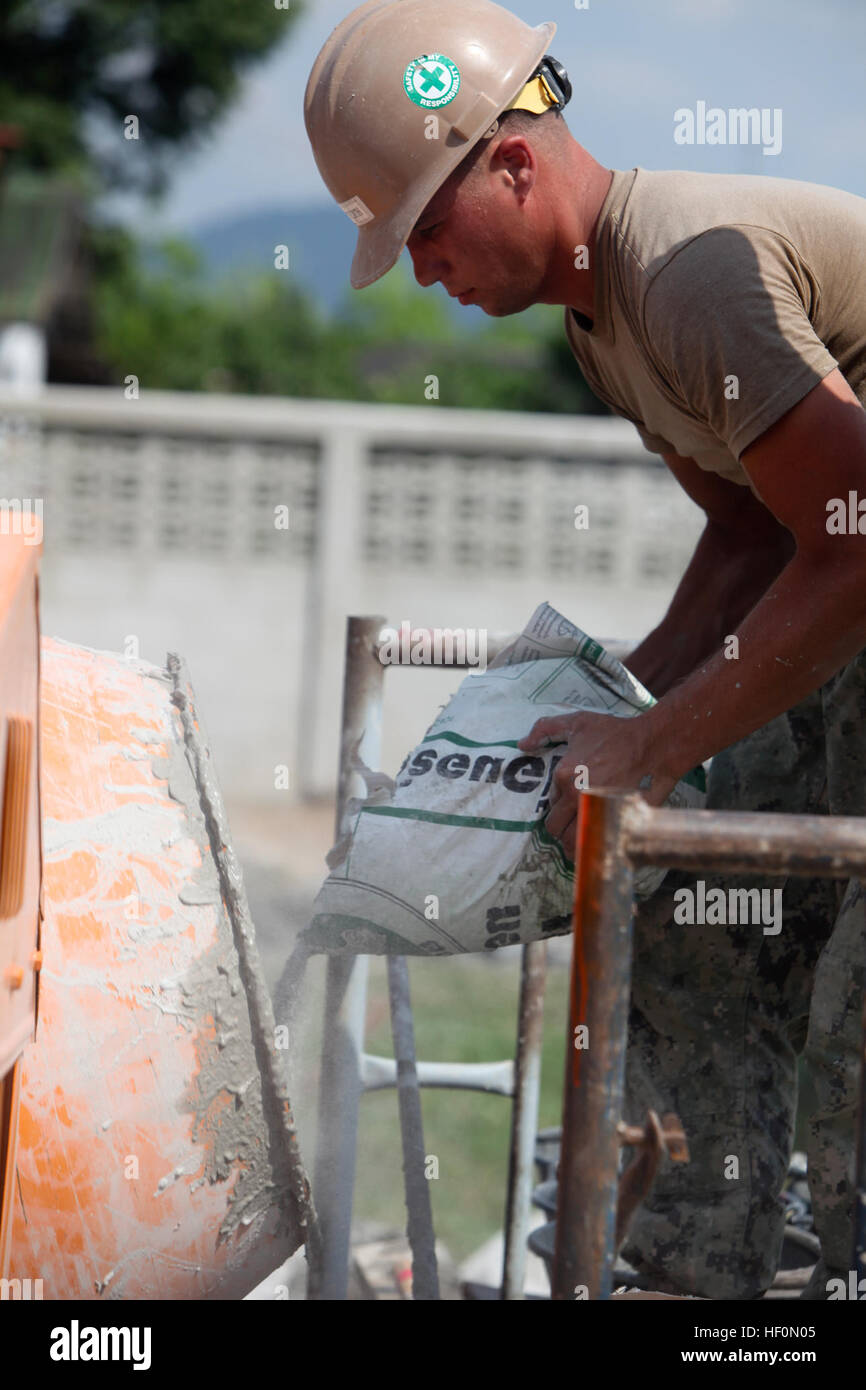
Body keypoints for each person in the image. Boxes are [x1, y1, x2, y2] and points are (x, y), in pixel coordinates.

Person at [305, 0, 866, 1299]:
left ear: (512, 158)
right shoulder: (601, 324)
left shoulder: (683, 274)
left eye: (426, 230)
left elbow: (847, 535)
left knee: (851, 1014)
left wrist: (653, 744)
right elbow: (745, 540)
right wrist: (605, 706)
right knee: (698, 918)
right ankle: (685, 1279)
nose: (427, 272)